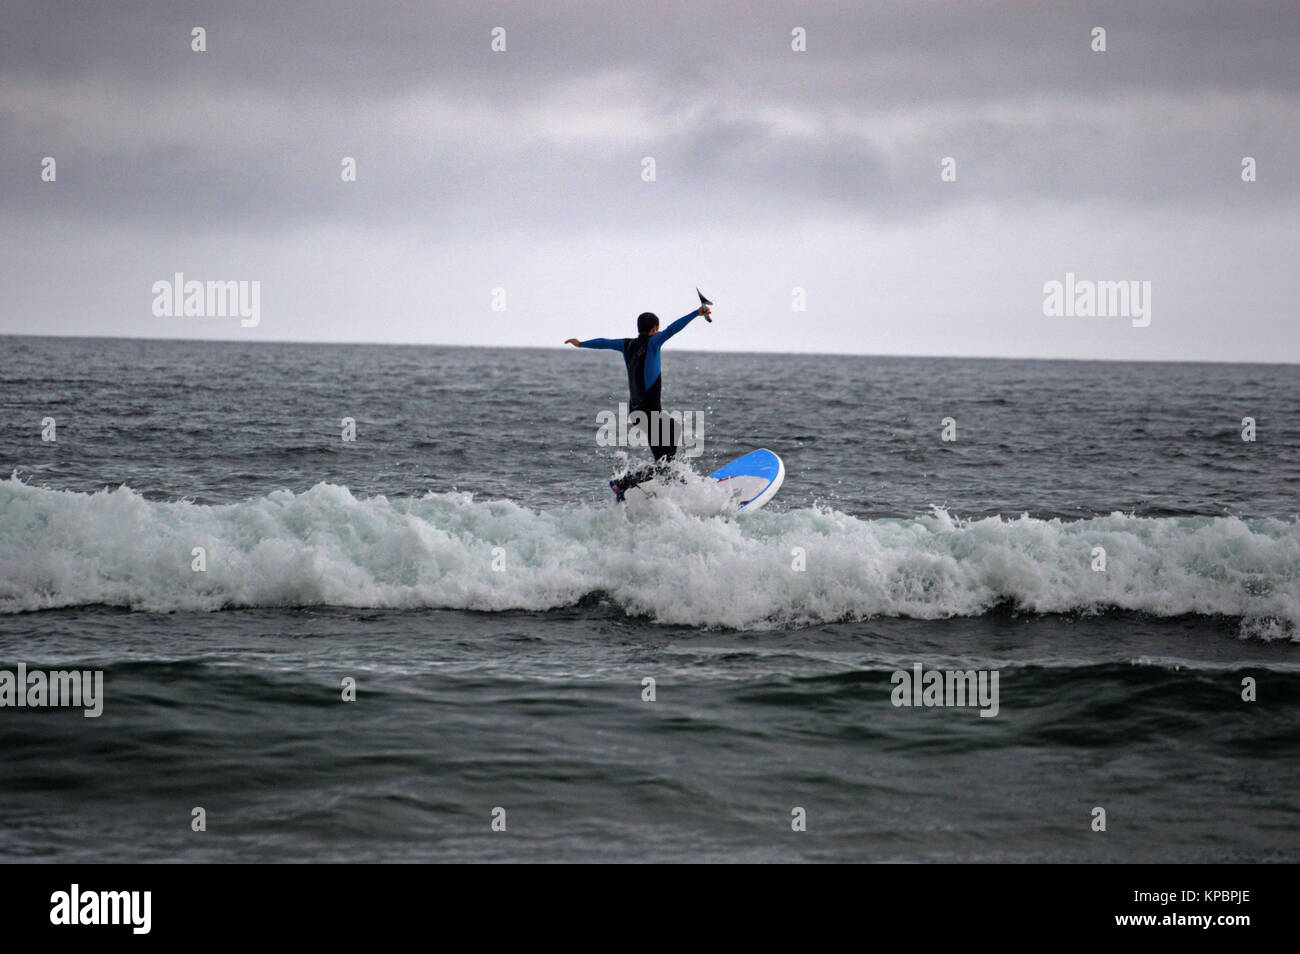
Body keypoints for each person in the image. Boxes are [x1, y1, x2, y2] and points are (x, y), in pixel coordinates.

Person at [566, 303, 711, 500]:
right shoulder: (654, 343)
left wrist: (580, 343)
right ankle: (626, 484)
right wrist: (697, 312)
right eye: (657, 329)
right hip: (650, 413)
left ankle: (669, 479)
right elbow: (673, 329)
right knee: (664, 462)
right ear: (654, 329)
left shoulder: (627, 345)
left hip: (637, 411)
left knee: (672, 432)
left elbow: (604, 342)